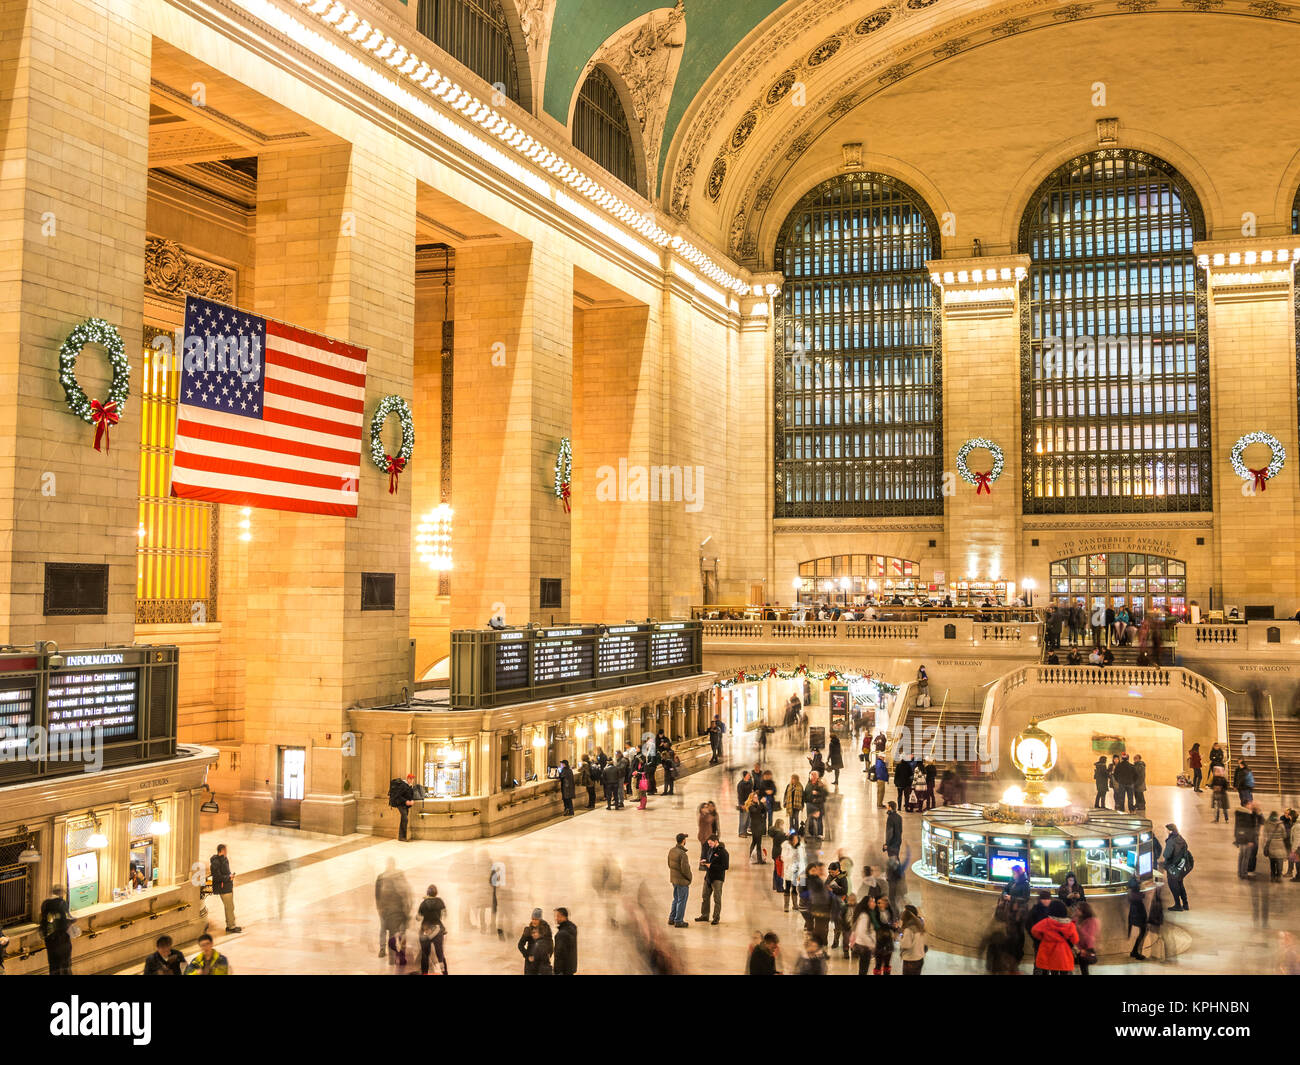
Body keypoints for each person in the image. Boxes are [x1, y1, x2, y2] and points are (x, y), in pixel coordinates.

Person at [375, 857, 413, 965]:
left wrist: (379, 907)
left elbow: (378, 894)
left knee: (387, 930)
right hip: (391, 910)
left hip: (389, 910)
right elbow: (406, 892)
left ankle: (388, 953)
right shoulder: (384, 877)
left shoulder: (385, 877)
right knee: (391, 931)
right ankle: (390, 953)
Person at [1031, 899, 1078, 975]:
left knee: (1052, 971)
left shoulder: (1046, 922)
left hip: (1047, 951)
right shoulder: (1070, 925)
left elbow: (1034, 930)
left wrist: (1042, 938)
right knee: (1064, 971)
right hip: (1063, 953)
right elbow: (1075, 940)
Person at [39, 886, 73, 975]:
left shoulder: (45, 903)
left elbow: (43, 919)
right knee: (65, 964)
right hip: (62, 939)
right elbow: (66, 919)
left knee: (54, 965)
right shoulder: (62, 903)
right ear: (61, 893)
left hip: (50, 940)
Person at [209, 843, 242, 934]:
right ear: (222, 850)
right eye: (226, 850)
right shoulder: (215, 863)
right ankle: (231, 926)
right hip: (223, 887)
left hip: (227, 885)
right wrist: (228, 877)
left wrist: (230, 876)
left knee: (230, 907)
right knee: (229, 907)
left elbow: (226, 872)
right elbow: (217, 877)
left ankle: (230, 925)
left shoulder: (224, 859)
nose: (227, 852)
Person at [695, 837, 728, 924]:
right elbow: (710, 861)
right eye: (708, 843)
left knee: (717, 899)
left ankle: (716, 918)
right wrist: (705, 862)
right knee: (705, 896)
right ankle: (705, 915)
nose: (709, 845)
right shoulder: (710, 850)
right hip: (708, 877)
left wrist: (711, 866)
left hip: (717, 879)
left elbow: (725, 866)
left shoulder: (723, 852)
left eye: (710, 843)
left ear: (716, 841)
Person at [417, 884, 448, 975]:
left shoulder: (423, 903)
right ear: (436, 893)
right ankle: (444, 972)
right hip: (437, 929)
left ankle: (425, 973)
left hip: (425, 931)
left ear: (427, 892)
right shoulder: (440, 901)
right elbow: (445, 914)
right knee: (440, 954)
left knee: (425, 954)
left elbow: (418, 918)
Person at [667, 833, 693, 927]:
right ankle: (678, 921)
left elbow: (669, 864)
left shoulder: (671, 851)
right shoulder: (683, 854)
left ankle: (672, 918)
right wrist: (689, 878)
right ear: (683, 841)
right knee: (682, 900)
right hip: (682, 881)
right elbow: (685, 869)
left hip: (674, 880)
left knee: (676, 899)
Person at [518, 910, 553, 975]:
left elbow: (550, 943)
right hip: (530, 963)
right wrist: (527, 956)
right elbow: (520, 945)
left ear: (540, 919)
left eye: (536, 919)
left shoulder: (546, 929)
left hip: (542, 962)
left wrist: (549, 954)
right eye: (533, 919)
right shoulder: (528, 930)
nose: (534, 921)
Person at [850, 896, 878, 975]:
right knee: (863, 969)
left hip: (863, 944)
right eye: (872, 901)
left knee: (863, 968)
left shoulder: (867, 914)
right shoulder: (865, 916)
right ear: (867, 903)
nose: (874, 903)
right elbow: (862, 933)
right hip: (864, 946)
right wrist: (871, 944)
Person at [871, 897, 898, 975]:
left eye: (881, 902)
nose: (879, 904)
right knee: (878, 963)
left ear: (886, 904)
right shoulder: (875, 912)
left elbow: (892, 923)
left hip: (888, 939)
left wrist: (894, 927)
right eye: (878, 903)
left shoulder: (890, 912)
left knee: (887, 962)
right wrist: (889, 926)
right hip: (879, 938)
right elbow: (878, 925)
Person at [388, 773, 417, 842]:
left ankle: (401, 837)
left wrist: (412, 800)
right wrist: (406, 801)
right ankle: (403, 836)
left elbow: (411, 796)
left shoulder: (410, 787)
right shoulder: (403, 785)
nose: (412, 780)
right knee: (405, 819)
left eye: (412, 779)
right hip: (400, 804)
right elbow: (398, 795)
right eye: (410, 778)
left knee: (403, 819)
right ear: (407, 778)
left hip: (405, 805)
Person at [899, 904, 927, 974]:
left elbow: (906, 945)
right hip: (919, 959)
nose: (902, 913)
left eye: (904, 912)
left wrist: (900, 938)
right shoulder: (920, 925)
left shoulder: (909, 929)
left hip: (911, 960)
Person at [1263, 812, 1290, 882]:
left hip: (1271, 845)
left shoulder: (1267, 824)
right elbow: (1284, 835)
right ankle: (1279, 876)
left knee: (1272, 862)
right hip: (1280, 845)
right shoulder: (1281, 824)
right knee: (1279, 861)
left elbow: (1265, 835)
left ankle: (1272, 876)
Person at [1074, 901, 1099, 975]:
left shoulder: (1091, 921)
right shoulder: (1076, 918)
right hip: (1078, 947)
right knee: (1083, 968)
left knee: (1084, 968)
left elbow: (1089, 937)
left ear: (1084, 911)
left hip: (1086, 947)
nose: (1076, 910)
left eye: (1078, 909)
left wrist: (1079, 928)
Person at [1126, 876, 1148, 960]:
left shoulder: (1131, 887)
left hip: (1136, 912)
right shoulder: (1134, 890)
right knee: (1143, 930)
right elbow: (1139, 897)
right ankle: (1135, 951)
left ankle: (1135, 951)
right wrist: (1142, 893)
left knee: (1142, 930)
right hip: (1138, 912)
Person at [553, 908, 578, 975]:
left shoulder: (562, 934)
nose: (556, 918)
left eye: (558, 916)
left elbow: (559, 954)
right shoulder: (572, 929)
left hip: (562, 970)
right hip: (570, 969)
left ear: (563, 917)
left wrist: (557, 971)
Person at [747, 792, 767, 862]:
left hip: (759, 826)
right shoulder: (750, 806)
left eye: (757, 797)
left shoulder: (757, 804)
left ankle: (752, 857)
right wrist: (761, 803)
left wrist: (764, 804)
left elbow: (764, 811)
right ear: (752, 798)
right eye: (755, 797)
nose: (756, 798)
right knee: (758, 843)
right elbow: (756, 812)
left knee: (755, 842)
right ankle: (759, 860)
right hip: (755, 827)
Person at [737, 770, 753, 838]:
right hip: (743, 803)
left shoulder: (750, 782)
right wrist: (741, 804)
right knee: (743, 818)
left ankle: (745, 831)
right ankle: (741, 832)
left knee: (748, 818)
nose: (749, 775)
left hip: (749, 802)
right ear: (745, 776)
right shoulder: (740, 784)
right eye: (748, 775)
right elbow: (740, 795)